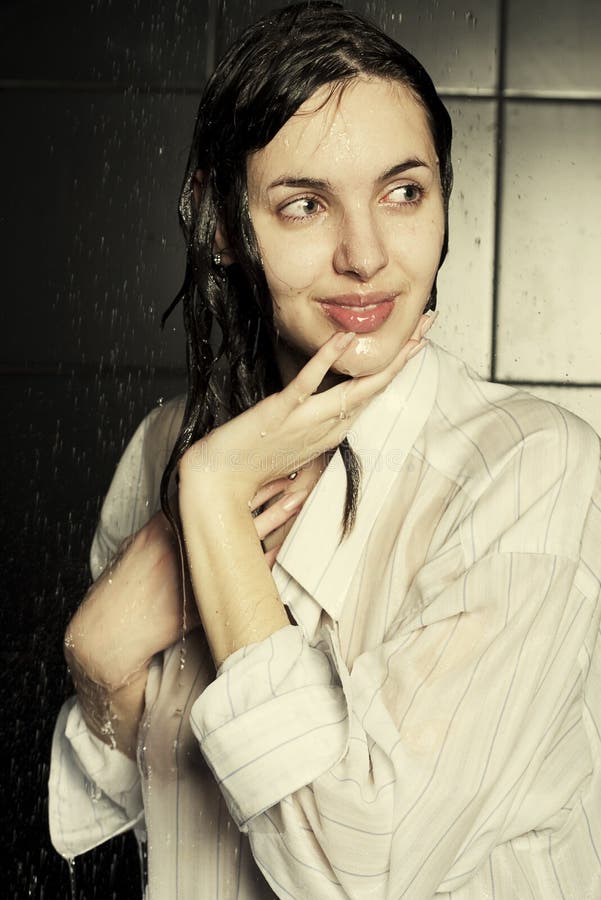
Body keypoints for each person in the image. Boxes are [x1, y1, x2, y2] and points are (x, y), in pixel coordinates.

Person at [49, 2, 601, 897]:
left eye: (403, 192)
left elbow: (362, 871)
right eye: (304, 204)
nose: (367, 255)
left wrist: (219, 508)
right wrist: (99, 663)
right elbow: (140, 802)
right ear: (224, 228)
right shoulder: (162, 445)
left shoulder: (532, 468)